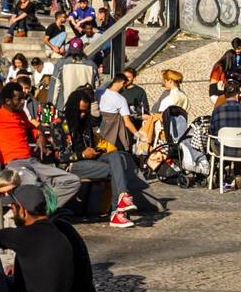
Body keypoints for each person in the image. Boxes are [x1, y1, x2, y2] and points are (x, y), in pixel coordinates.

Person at [59, 87, 163, 226]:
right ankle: (117, 213)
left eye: (86, 111)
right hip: (73, 165)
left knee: (116, 155)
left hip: (91, 160)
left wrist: (96, 150)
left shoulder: (86, 124)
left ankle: (122, 198)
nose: (83, 114)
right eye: (80, 111)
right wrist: (82, 154)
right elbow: (59, 156)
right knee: (115, 169)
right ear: (72, 108)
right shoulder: (61, 124)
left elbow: (89, 144)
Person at [0, 184, 77, 292]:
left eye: (13, 207)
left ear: (22, 210)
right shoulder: (58, 234)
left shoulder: (23, 235)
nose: (12, 213)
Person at [138, 69, 188, 148]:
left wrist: (149, 117)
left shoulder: (169, 99)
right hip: (180, 127)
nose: (163, 84)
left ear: (170, 81)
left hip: (166, 130)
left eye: (164, 81)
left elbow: (161, 117)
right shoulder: (184, 96)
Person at [97, 72, 139, 151]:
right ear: (122, 83)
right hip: (112, 131)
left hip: (99, 126)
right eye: (125, 86)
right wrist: (137, 134)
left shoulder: (99, 92)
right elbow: (127, 122)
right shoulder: (121, 99)